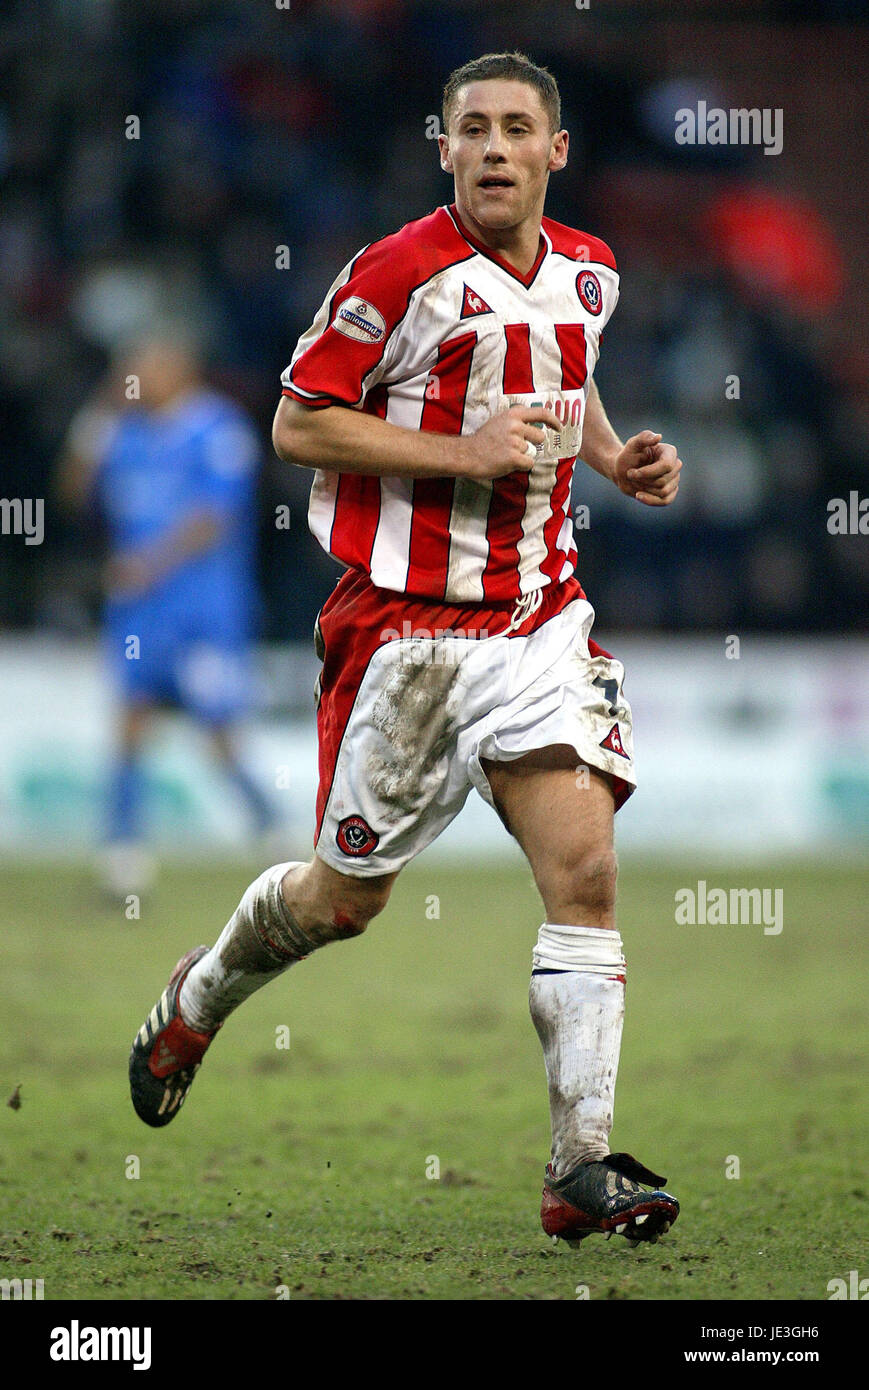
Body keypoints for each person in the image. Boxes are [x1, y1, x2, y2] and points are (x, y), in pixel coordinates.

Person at [129, 53, 683, 1248]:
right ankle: (199, 995)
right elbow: (294, 421)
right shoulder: (395, 272)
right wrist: (465, 456)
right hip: (404, 637)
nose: (492, 147)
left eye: (514, 129)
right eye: (469, 129)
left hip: (540, 618)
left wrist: (608, 456)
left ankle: (577, 1164)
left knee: (583, 874)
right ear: (443, 150)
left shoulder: (591, 273)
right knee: (340, 902)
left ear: (555, 151)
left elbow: (564, 375)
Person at [59, 329, 275, 896]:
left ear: (180, 367)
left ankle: (272, 833)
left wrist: (148, 564)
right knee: (130, 725)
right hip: (139, 614)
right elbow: (72, 493)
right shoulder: (122, 432)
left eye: (147, 365)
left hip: (204, 611)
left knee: (218, 733)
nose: (137, 377)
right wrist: (100, 410)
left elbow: (217, 518)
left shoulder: (218, 428)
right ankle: (123, 861)